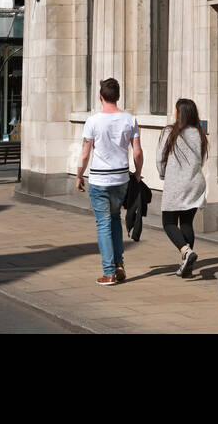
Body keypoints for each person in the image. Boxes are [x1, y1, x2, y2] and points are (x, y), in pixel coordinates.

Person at [76, 78, 142, 287]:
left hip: (99, 179)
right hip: (121, 178)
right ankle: (119, 263)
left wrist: (79, 175)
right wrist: (138, 173)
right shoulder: (130, 119)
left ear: (100, 96)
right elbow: (138, 152)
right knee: (115, 219)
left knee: (103, 224)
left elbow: (85, 154)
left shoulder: (93, 121)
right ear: (119, 96)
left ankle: (109, 272)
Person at [157, 98, 208, 278]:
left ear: (181, 113)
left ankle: (186, 251)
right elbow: (201, 159)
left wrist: (163, 174)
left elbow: (160, 159)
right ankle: (187, 266)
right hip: (195, 182)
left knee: (168, 222)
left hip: (176, 183)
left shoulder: (170, 132)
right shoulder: (199, 133)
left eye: (176, 111)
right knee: (186, 223)